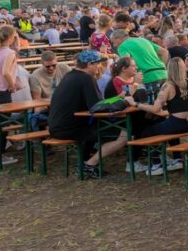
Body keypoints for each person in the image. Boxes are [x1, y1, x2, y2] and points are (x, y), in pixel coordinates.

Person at [47, 50, 133, 179]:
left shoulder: (70, 75)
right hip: (70, 128)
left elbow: (97, 104)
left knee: (101, 127)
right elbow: (98, 108)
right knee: (125, 134)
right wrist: (125, 103)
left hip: (57, 126)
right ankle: (89, 165)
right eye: (97, 64)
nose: (99, 67)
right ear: (90, 64)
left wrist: (116, 99)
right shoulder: (86, 78)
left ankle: (86, 161)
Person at [131, 57, 188, 175]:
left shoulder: (168, 85)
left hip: (178, 124)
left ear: (168, 69)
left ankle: (156, 163)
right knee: (168, 125)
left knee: (146, 133)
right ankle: (177, 158)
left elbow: (155, 109)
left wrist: (135, 104)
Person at [112, 30, 168, 96]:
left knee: (151, 104)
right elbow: (164, 52)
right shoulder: (143, 40)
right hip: (164, 74)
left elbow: (126, 62)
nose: (114, 45)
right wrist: (161, 66)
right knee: (162, 104)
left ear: (118, 39)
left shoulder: (122, 46)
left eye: (113, 42)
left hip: (148, 77)